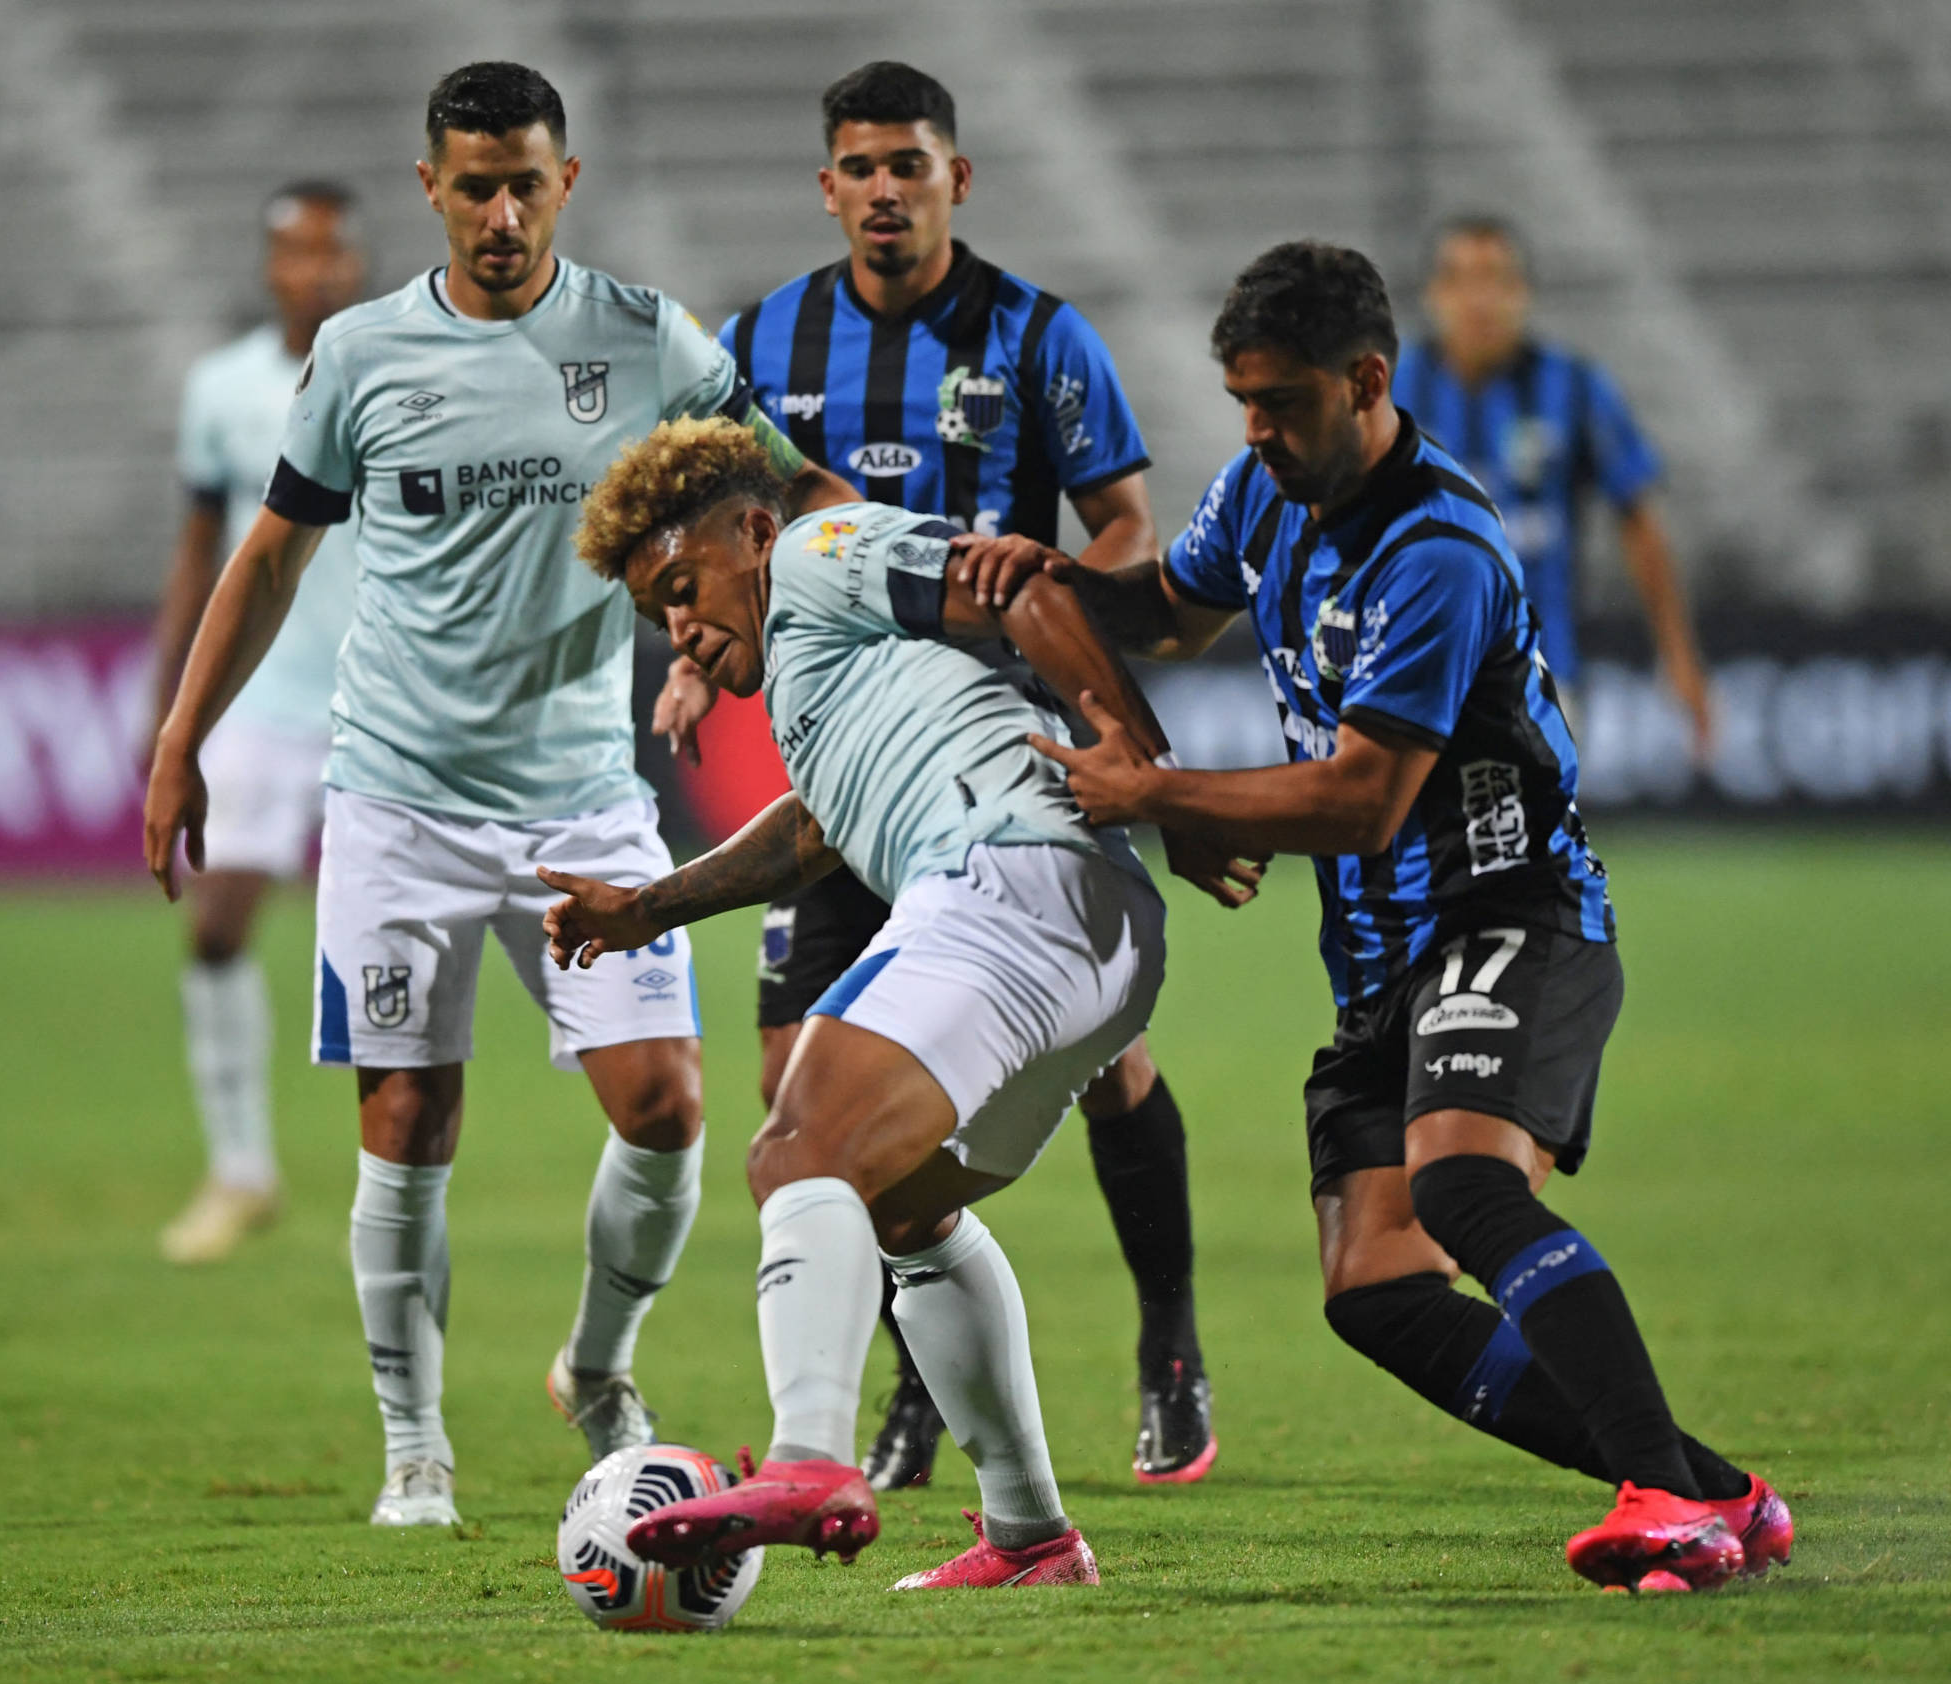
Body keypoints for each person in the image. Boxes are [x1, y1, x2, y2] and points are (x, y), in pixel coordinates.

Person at [967, 240, 1789, 1593]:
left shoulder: (1442, 548)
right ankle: (1714, 1490)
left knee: (1464, 1179)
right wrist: (1043, 571)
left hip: (1512, 912)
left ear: (1367, 380)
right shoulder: (1264, 485)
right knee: (1375, 1288)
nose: (1255, 431)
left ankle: (1665, 1501)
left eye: (1281, 402)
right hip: (1385, 957)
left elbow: (1360, 799)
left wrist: (1157, 789)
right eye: (1241, 401)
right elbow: (1173, 607)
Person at [142, 63, 852, 1528]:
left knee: (664, 1107)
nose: (504, 211)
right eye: (475, 185)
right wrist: (179, 737)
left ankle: (597, 1365)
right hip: (398, 797)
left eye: (528, 181)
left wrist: (842, 583)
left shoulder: (642, 337)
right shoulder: (360, 354)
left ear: (565, 182)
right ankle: (415, 1448)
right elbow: (268, 553)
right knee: (406, 1118)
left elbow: (786, 487)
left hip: (579, 793)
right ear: (432, 190)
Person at [538, 417, 1263, 1588]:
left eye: (683, 586)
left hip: (1012, 874)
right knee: (899, 1215)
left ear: (754, 532)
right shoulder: (818, 678)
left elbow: (1020, 590)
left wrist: (1152, 775)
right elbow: (816, 830)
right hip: (1084, 932)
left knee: (795, 1149)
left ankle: (809, 1457)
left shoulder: (824, 546)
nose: (677, 627)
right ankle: (1030, 1537)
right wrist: (647, 908)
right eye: (655, 613)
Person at [662, 59, 1222, 1489]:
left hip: (993, 757)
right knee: (803, 1075)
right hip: (847, 755)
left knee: (1104, 1062)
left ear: (955, 179)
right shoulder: (763, 343)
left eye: (911, 164)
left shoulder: (1037, 335)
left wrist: (1030, 606)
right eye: (859, 167)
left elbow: (1120, 529)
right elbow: (708, 530)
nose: (885, 191)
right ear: (829, 184)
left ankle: (1168, 1340)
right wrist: (690, 654)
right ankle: (912, 1392)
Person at [144, 182, 366, 1266]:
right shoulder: (221, 388)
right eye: (295, 253)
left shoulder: (391, 367)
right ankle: (241, 1171)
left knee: (417, 943)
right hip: (264, 699)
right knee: (219, 924)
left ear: (356, 261)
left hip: (384, 697)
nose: (314, 270)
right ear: (271, 264)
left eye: (331, 251)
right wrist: (173, 708)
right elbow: (202, 545)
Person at [1392, 215, 1711, 749]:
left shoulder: (1575, 389)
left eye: (1496, 278)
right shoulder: (1391, 394)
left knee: (1502, 825)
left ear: (1523, 293)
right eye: (1461, 279)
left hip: (1541, 676)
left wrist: (1677, 652)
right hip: (1411, 676)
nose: (1480, 299)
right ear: (1434, 294)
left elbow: (1637, 518)